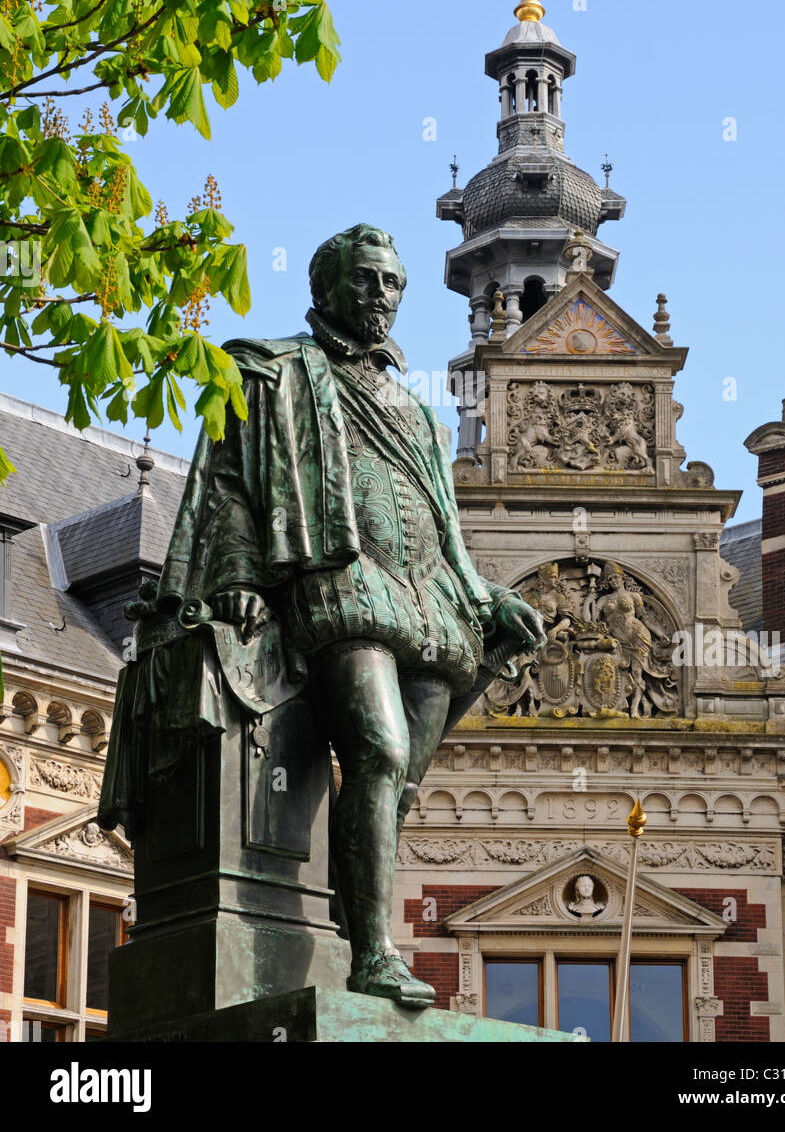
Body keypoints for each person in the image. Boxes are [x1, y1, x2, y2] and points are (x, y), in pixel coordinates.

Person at [150, 224, 545, 1006]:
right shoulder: (272, 372)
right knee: (380, 752)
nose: (380, 296)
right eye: (364, 280)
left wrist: (487, 594)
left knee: (397, 788)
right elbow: (230, 484)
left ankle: (340, 928)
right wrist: (237, 576)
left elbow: (446, 527)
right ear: (324, 286)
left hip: (433, 600)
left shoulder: (419, 415)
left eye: (392, 283)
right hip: (343, 586)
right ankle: (374, 953)